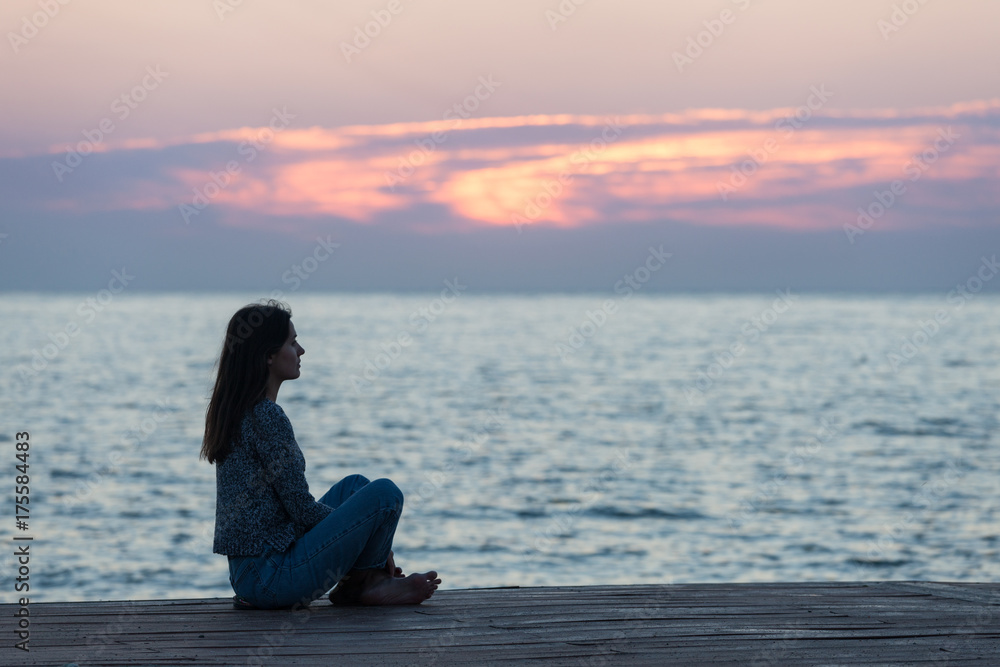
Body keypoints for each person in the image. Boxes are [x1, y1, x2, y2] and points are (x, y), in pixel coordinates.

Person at [201, 299, 440, 609]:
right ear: (269, 355)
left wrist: (366, 536)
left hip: (252, 574)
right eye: (292, 342)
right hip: (271, 579)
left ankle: (363, 583)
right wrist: (373, 542)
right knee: (385, 494)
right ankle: (369, 582)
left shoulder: (241, 411)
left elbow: (294, 511)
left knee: (355, 485)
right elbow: (302, 510)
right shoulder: (266, 416)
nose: (301, 351)